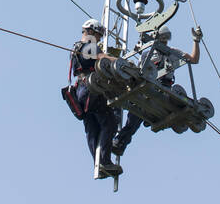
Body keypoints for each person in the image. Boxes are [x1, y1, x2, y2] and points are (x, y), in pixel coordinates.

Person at [111, 24, 202, 156]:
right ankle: (119, 143)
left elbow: (194, 59)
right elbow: (138, 72)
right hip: (148, 87)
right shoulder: (148, 53)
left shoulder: (173, 52)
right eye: (162, 38)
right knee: (135, 116)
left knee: (138, 116)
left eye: (166, 38)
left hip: (163, 89)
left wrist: (196, 41)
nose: (164, 41)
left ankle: (120, 141)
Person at [70, 19, 122, 177]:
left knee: (92, 129)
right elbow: (102, 57)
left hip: (80, 92)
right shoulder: (89, 45)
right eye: (98, 36)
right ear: (91, 31)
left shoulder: (75, 48)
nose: (99, 39)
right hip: (90, 90)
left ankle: (98, 165)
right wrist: (121, 62)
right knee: (110, 123)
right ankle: (105, 162)